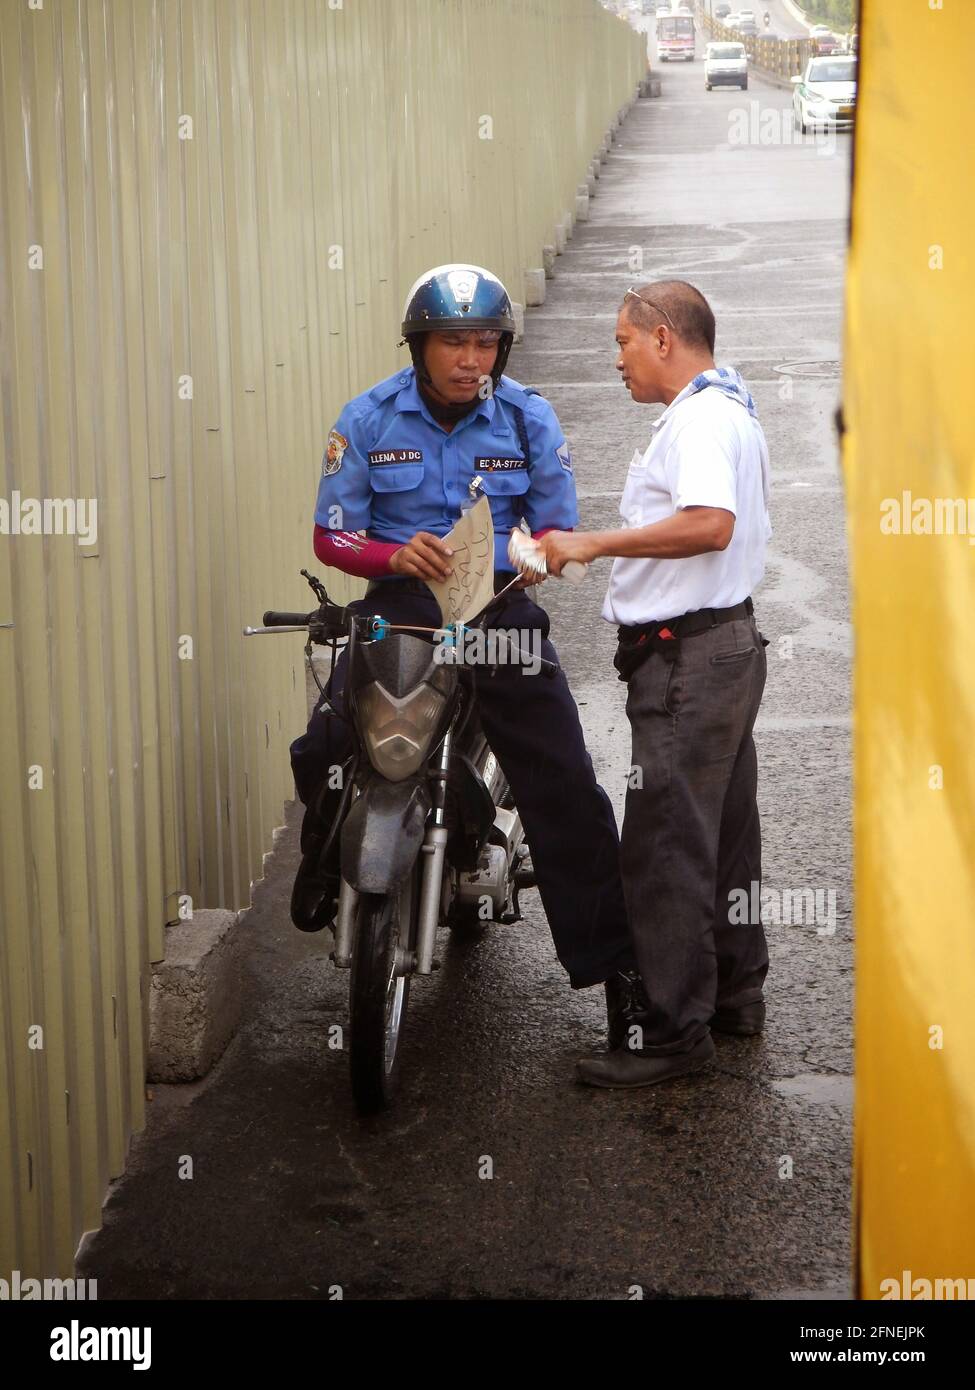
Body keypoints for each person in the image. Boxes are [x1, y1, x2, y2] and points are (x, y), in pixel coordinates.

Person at [289, 263, 637, 1017]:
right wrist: (390, 555)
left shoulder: (525, 418)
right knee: (321, 747)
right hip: (399, 614)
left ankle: (621, 978)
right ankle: (322, 875)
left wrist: (533, 555)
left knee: (565, 785)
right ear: (420, 346)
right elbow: (330, 537)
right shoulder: (366, 418)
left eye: (484, 342)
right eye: (452, 342)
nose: (469, 359)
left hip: (497, 617)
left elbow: (556, 526)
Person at [537, 280, 772, 1088]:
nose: (616, 359)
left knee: (665, 845)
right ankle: (735, 996)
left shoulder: (700, 421)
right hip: (728, 645)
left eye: (624, 342)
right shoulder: (725, 406)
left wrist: (593, 543)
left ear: (664, 338)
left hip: (686, 662)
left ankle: (673, 1035)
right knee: (724, 834)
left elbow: (710, 523)